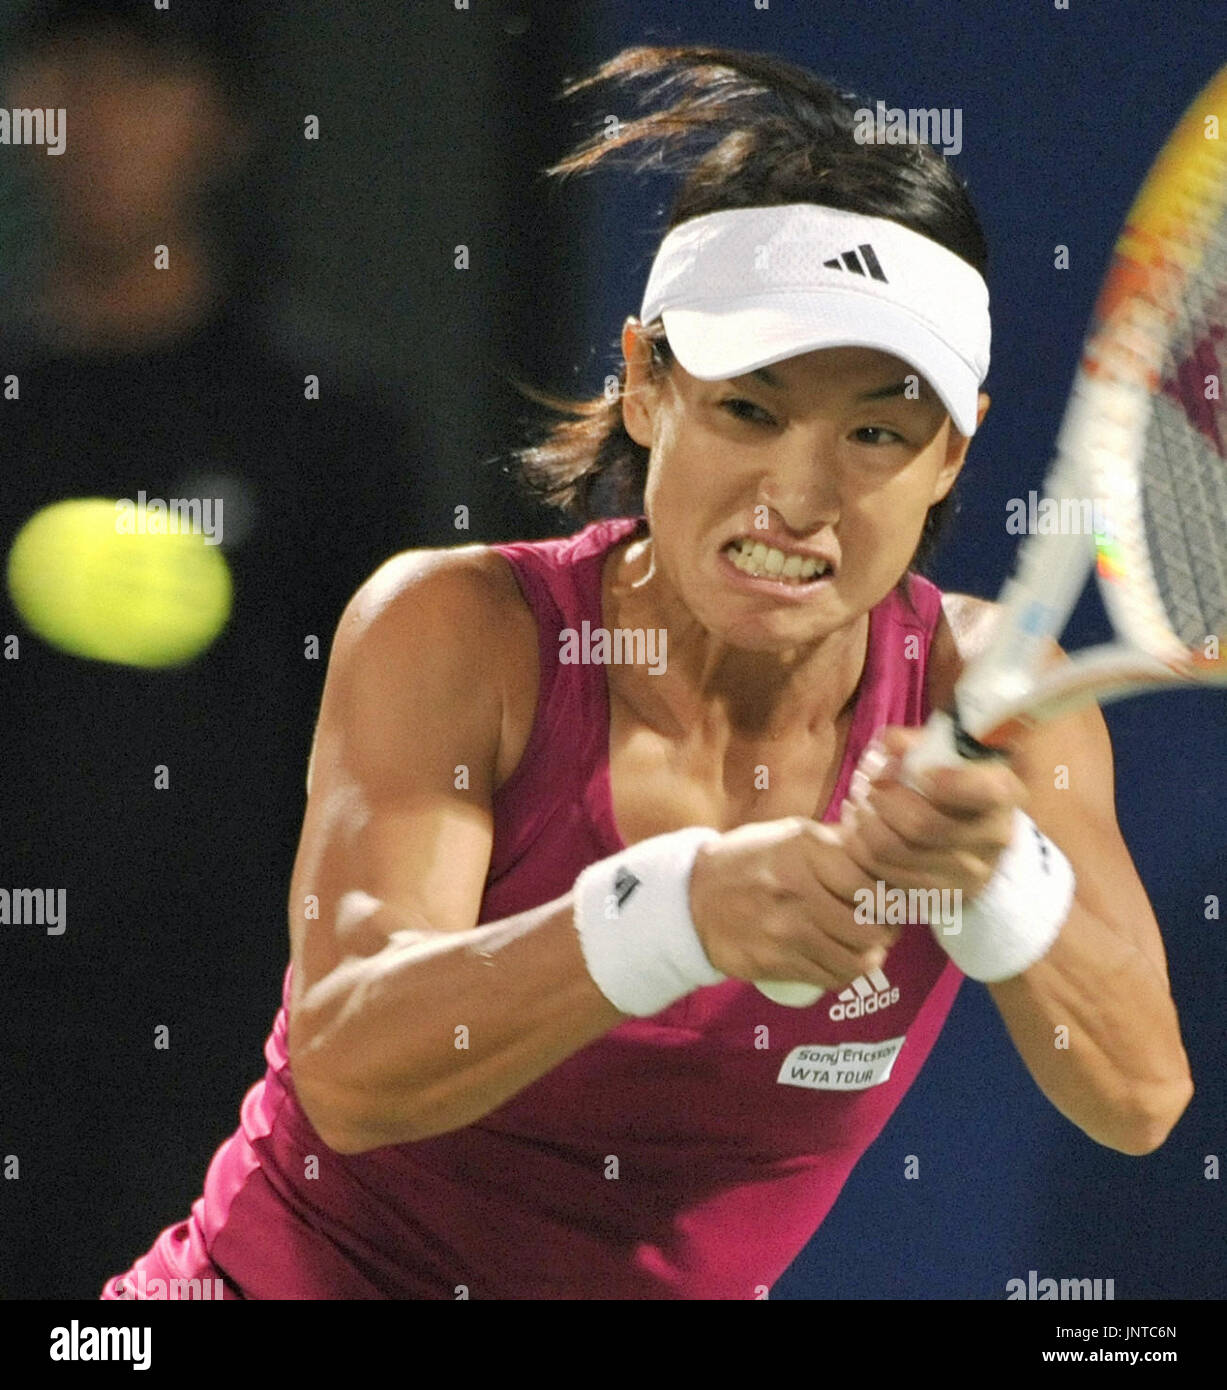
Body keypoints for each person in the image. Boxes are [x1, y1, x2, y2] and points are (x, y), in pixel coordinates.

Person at [99, 44, 1192, 1302]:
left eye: (877, 432)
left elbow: (1140, 1097)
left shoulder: (1000, 700)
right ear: (643, 382)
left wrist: (998, 877)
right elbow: (348, 1072)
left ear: (956, 451)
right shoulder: (462, 631)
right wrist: (676, 911)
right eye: (749, 409)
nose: (798, 497)